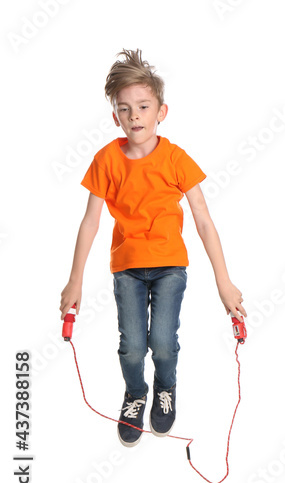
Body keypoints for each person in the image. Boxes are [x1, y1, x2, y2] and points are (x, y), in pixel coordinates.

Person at [60, 49, 246, 447]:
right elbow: (90, 222)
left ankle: (165, 387)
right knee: (131, 347)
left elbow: (203, 220)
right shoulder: (107, 160)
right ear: (115, 116)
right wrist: (75, 281)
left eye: (143, 107)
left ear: (161, 111)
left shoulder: (176, 159)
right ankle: (135, 393)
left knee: (162, 342)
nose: (135, 117)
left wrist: (224, 282)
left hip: (169, 267)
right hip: (126, 268)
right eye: (125, 109)